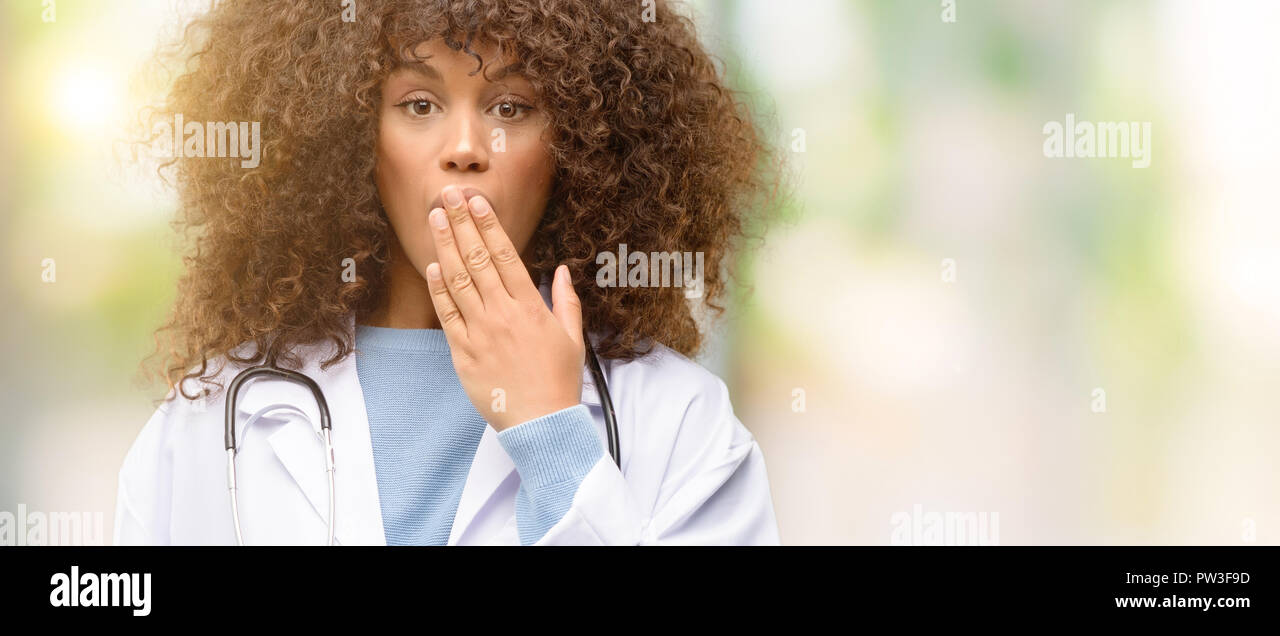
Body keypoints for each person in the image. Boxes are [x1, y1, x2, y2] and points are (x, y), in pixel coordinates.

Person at [116, 0, 783, 545]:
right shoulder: (212, 421)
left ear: (580, 148)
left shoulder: (679, 421)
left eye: (511, 108)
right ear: (352, 140)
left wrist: (550, 432)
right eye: (418, 104)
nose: (465, 149)